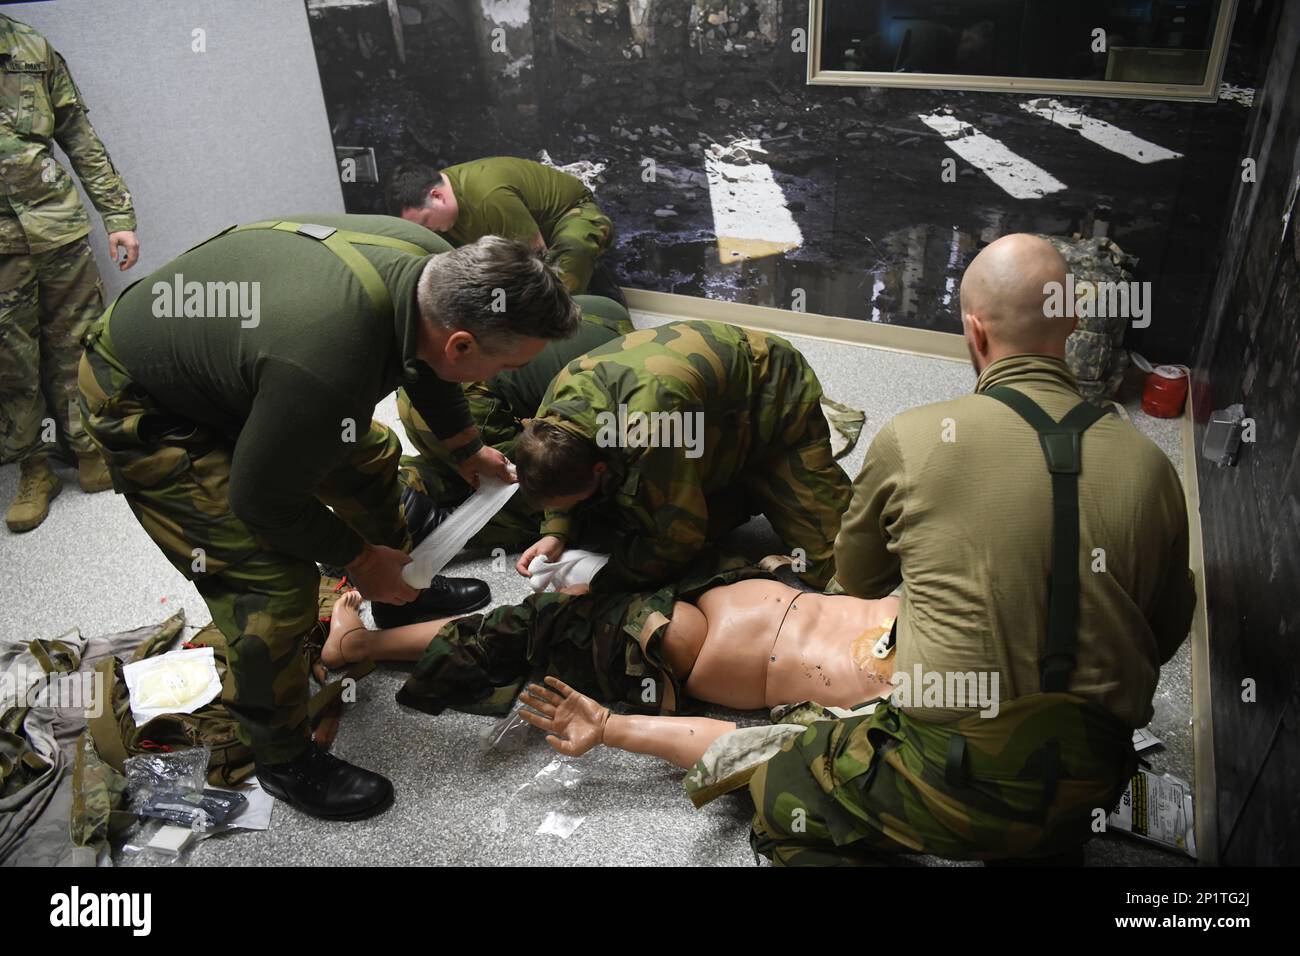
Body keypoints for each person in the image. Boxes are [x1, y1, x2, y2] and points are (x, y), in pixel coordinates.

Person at [670, 233, 1192, 866]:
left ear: (974, 331)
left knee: (782, 796)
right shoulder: (1153, 467)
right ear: (1075, 319)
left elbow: (857, 578)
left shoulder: (916, 440)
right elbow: (1162, 635)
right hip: (1091, 776)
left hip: (951, 775)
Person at [78, 214, 580, 821]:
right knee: (274, 587)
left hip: (243, 365)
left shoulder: (432, 272)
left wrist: (467, 447)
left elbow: (428, 367)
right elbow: (260, 500)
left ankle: (405, 595)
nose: (501, 378)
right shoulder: (330, 362)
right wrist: (363, 561)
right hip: (146, 397)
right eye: (502, 368)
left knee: (371, 456)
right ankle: (284, 760)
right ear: (463, 343)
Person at [512, 320, 851, 593]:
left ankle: (754, 482)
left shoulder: (647, 431)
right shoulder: (549, 422)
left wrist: (598, 579)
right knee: (617, 523)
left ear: (599, 468)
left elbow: (676, 542)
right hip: (697, 417)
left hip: (770, 394)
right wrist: (555, 531)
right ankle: (739, 491)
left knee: (839, 569)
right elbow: (556, 473)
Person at [318, 563, 900, 719]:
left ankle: (354, 649)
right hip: (728, 587)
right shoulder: (962, 607)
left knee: (530, 624)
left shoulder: (922, 699)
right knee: (580, 591)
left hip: (673, 645)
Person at [1, 12, 139, 532]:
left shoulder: (32, 49)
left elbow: (79, 137)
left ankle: (89, 452)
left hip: (56, 228)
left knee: (80, 344)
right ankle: (35, 467)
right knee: (10, 363)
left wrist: (119, 217)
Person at [397, 294, 633, 551]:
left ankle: (397, 491)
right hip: (467, 409)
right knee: (552, 493)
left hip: (425, 387)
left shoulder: (606, 307)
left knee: (472, 468)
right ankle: (442, 526)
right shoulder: (620, 385)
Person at [386, 157, 619, 300]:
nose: (429, 230)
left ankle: (573, 325)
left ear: (437, 196)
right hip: (521, 229)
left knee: (563, 266)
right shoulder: (444, 213)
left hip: (569, 212)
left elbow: (534, 259)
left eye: (426, 222)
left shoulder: (489, 197)